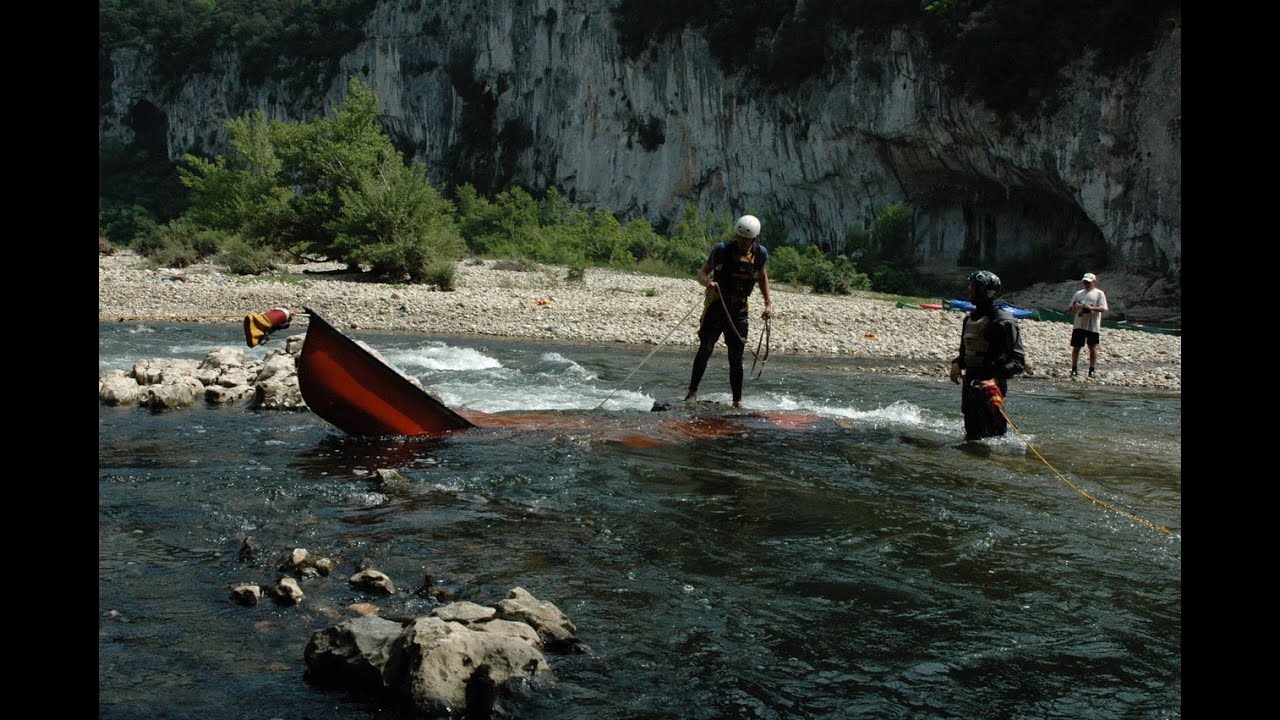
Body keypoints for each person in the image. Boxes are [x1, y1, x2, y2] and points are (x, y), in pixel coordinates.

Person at [684, 214, 774, 408]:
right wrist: (708, 283)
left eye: (746, 239)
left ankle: (737, 401)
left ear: (754, 238)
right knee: (705, 348)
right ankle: (692, 392)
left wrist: (768, 303)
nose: (742, 241)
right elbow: (701, 274)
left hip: (740, 309)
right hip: (717, 304)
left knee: (736, 356)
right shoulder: (722, 250)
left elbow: (762, 278)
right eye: (740, 237)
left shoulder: (760, 254)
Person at [948, 270, 1026, 441]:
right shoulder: (969, 319)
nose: (969, 290)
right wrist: (957, 364)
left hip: (991, 387)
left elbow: (1019, 361)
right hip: (970, 385)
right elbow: (965, 352)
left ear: (986, 292)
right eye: (970, 286)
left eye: (974, 287)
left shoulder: (1003, 321)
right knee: (972, 437)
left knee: (994, 439)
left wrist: (995, 380)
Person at [1067, 272, 1108, 378]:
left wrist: (1091, 308)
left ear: (1094, 282)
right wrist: (1075, 307)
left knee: (1092, 347)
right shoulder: (1078, 293)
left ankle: (1092, 370)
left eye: (1088, 282)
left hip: (1092, 325)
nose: (1086, 284)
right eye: (1085, 282)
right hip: (1079, 324)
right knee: (1076, 347)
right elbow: (1071, 307)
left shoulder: (1099, 293)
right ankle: (1074, 369)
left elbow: (1103, 308)